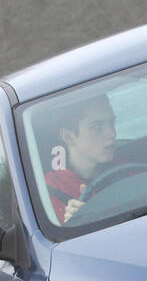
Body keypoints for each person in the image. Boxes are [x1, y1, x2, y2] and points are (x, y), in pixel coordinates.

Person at [43, 93, 117, 223]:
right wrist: (71, 226)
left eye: (112, 123)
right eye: (97, 127)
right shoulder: (46, 193)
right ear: (68, 137)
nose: (112, 133)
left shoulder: (129, 171)